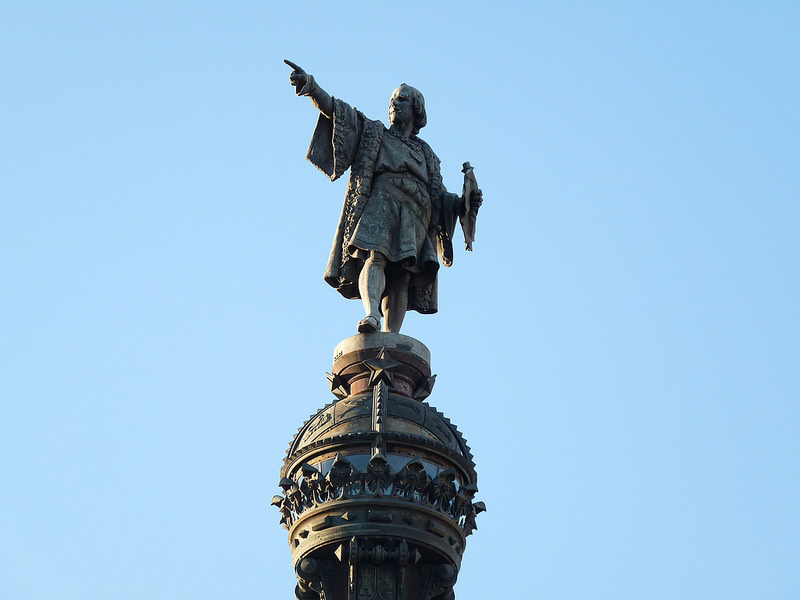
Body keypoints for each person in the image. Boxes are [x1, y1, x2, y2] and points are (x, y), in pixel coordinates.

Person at [285, 60, 482, 334]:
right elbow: (339, 113)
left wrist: (463, 204)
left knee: (401, 275)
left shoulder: (427, 155)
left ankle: (391, 337)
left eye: (401, 99)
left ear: (416, 108)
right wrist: (312, 87)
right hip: (383, 201)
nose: (393, 104)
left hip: (416, 213)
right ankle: (371, 315)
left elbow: (438, 198)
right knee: (376, 256)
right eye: (392, 100)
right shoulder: (374, 132)